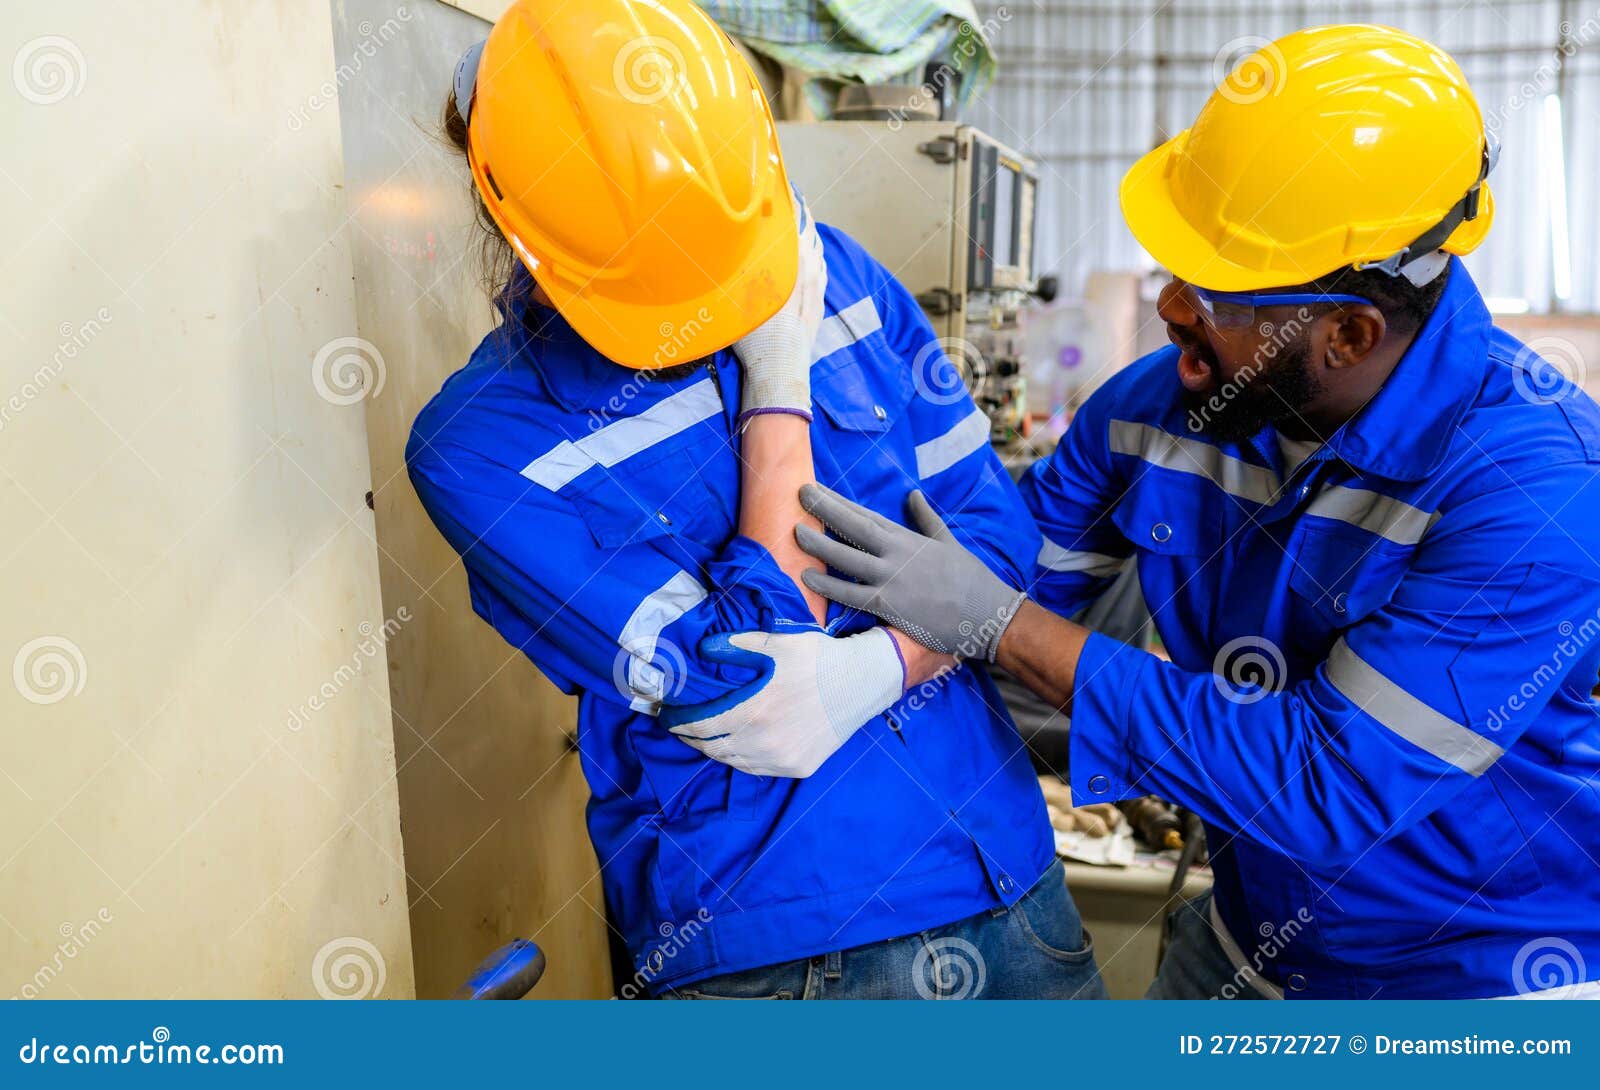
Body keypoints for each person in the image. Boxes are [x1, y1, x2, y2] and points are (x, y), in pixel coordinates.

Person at [681, 24, 1600, 999]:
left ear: (1347, 332)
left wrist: (1001, 626)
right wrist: (865, 651)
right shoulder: (1158, 411)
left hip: (1478, 979)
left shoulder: (1538, 492)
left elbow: (1326, 786)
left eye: (1217, 296)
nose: (1168, 308)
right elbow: (1000, 572)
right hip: (1248, 940)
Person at [406, 0, 1104, 1000]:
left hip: (1003, 879)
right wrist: (778, 390)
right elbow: (748, 681)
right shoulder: (482, 448)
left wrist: (874, 669)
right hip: (766, 946)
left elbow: (998, 537)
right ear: (521, 233)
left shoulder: (837, 276)